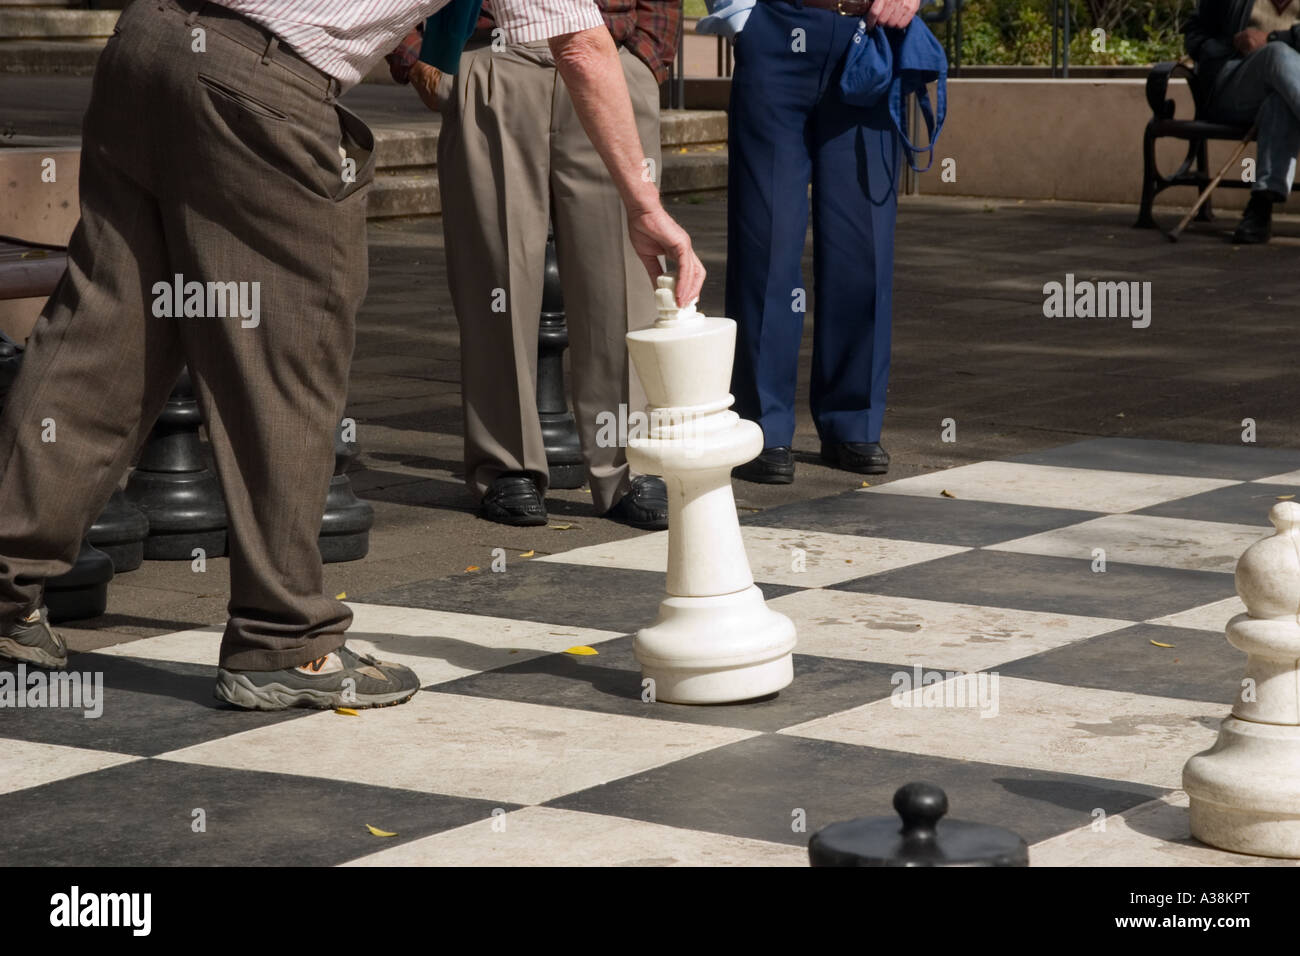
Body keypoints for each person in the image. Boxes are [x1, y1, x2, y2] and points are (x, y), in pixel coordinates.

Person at [0, 0, 703, 711]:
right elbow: (578, 44)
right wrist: (645, 206)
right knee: (286, 357)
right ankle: (283, 639)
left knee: (99, 337)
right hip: (258, 87)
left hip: (148, 44)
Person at [387, 1, 680, 529]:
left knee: (622, 278)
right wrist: (419, 56)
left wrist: (646, 54)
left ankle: (628, 467)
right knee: (495, 276)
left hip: (609, 51)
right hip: (493, 55)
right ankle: (506, 466)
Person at [726, 0, 918, 485]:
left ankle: (853, 419)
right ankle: (762, 427)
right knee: (766, 239)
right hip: (775, 27)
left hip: (868, 35)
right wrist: (739, 16)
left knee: (865, 246)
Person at [1187, 0, 1300, 243]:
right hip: (1235, 85)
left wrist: (1271, 37)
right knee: (1277, 54)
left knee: (1278, 100)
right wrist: (1231, 44)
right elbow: (1194, 35)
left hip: (1290, 92)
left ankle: (1261, 204)